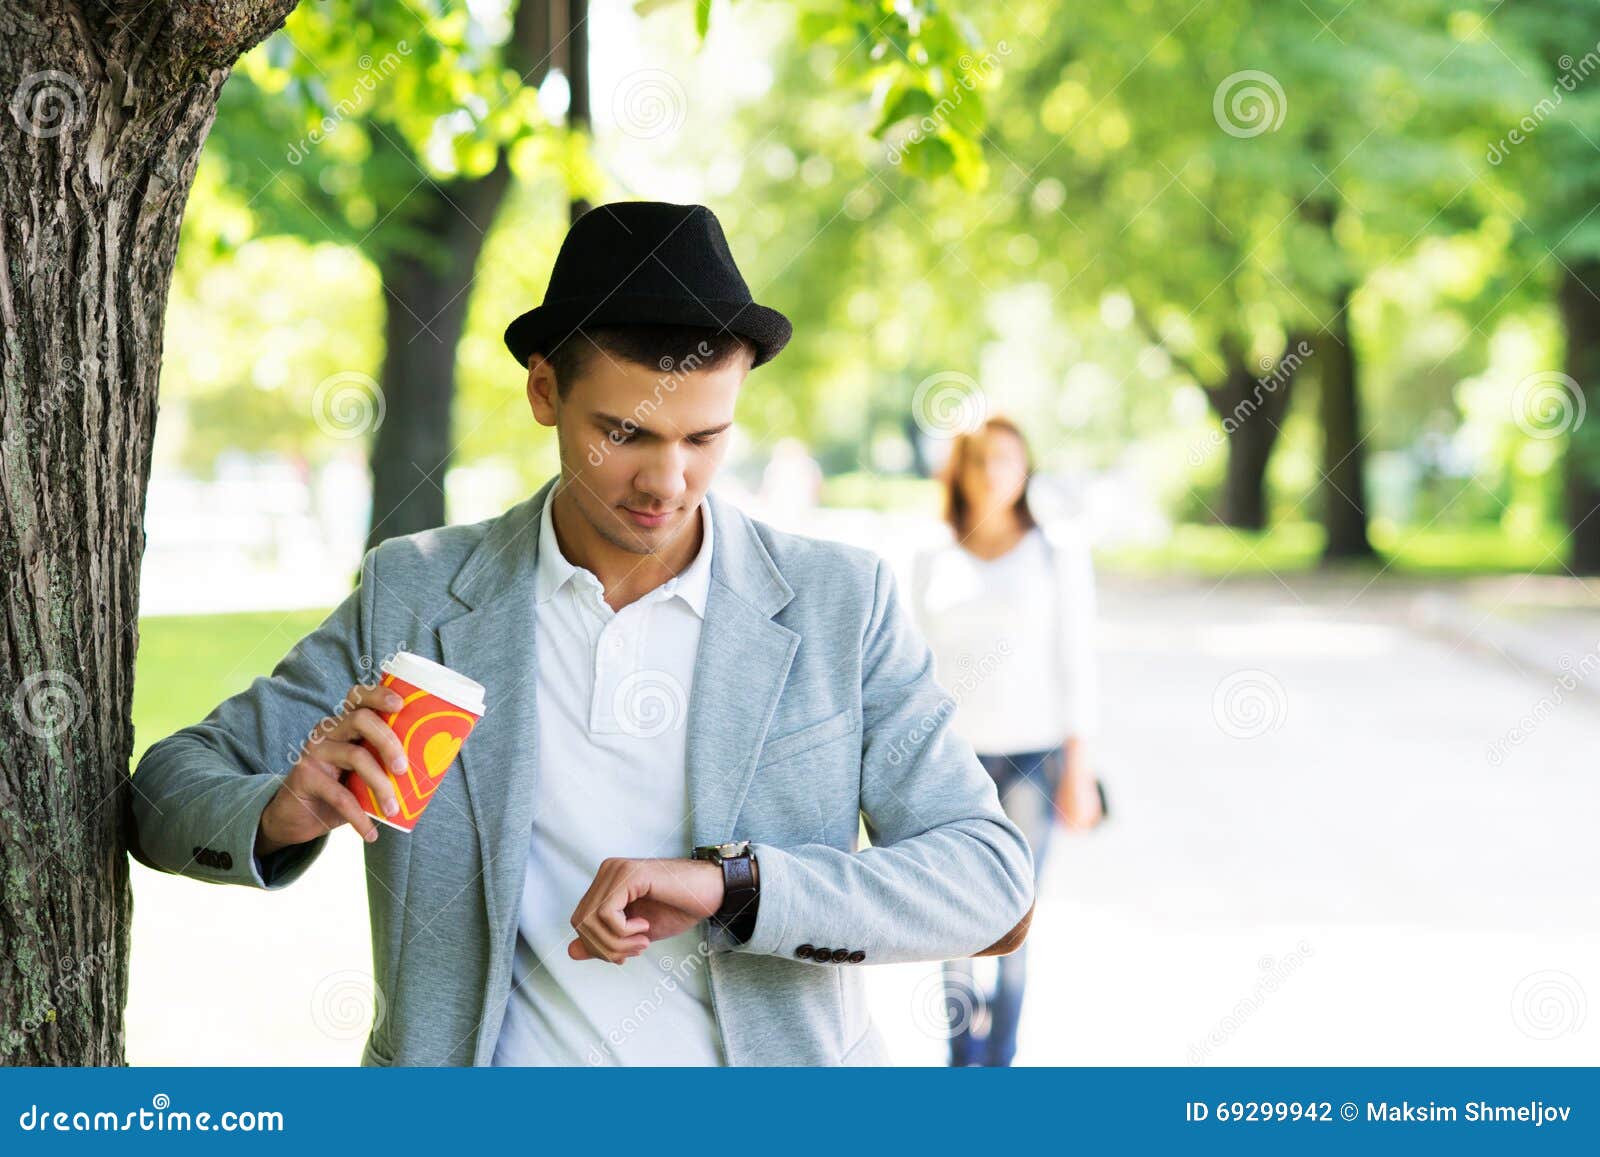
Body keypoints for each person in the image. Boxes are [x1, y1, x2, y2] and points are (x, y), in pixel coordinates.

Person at [127, 201, 1035, 1067]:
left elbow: (989, 878)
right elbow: (166, 793)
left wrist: (738, 886)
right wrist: (282, 812)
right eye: (626, 432)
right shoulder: (416, 593)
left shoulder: (842, 601)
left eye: (704, 437)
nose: (668, 481)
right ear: (544, 389)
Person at [909, 415, 1100, 1066]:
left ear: (1027, 471)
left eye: (1010, 461)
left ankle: (1003, 1060)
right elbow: (909, 667)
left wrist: (1080, 768)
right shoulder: (931, 553)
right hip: (951, 761)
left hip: (1034, 755)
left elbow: (1078, 660)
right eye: (984, 460)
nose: (997, 473)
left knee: (1016, 916)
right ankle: (962, 1056)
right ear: (960, 469)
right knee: (952, 916)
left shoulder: (1055, 551)